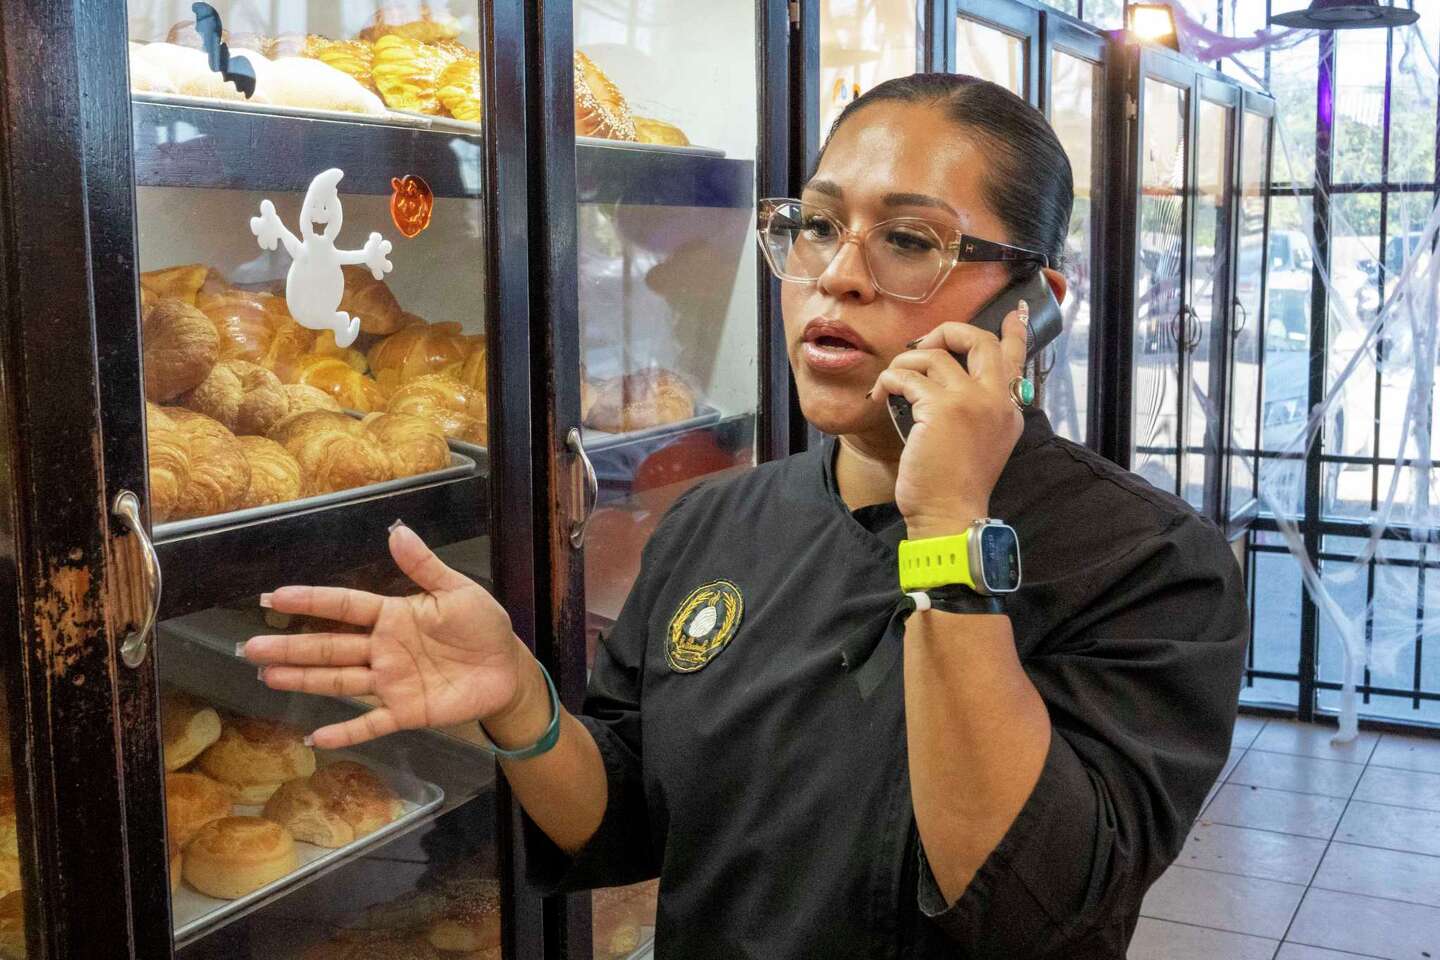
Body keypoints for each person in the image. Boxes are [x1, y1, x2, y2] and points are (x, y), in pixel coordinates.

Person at [241, 74, 1248, 958]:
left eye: (908, 240)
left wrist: (945, 530)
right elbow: (623, 822)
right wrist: (517, 700)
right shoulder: (717, 523)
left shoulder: (1154, 565)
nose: (835, 274)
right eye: (815, 224)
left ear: (1031, 304)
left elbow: (1025, 912)